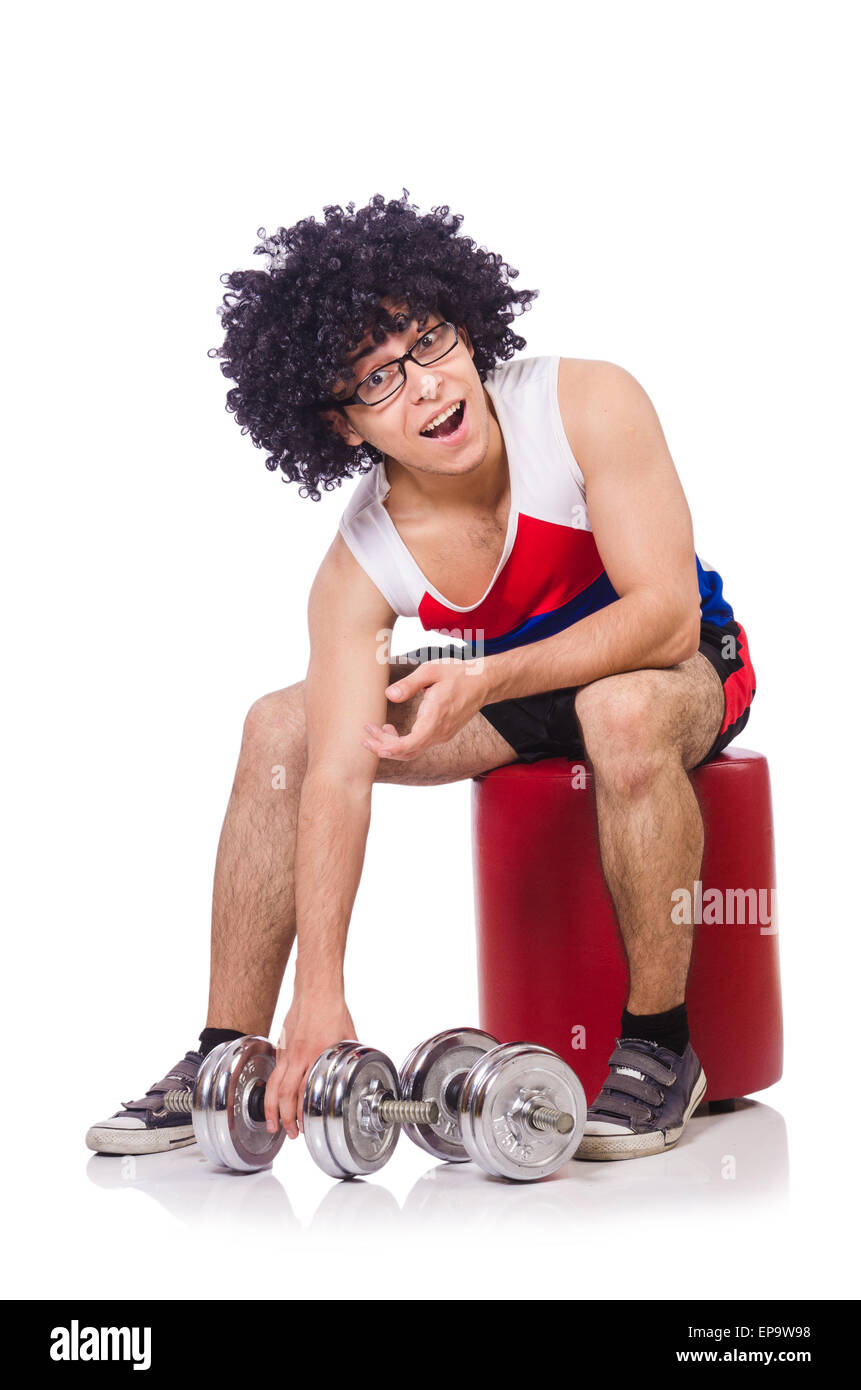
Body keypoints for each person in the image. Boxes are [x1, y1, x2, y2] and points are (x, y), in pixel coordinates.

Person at [86, 191, 756, 1164]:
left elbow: (663, 614)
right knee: (283, 725)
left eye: (431, 341)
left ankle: (661, 1049)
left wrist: (485, 678)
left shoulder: (585, 403)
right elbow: (336, 772)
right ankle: (225, 1052)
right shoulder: (360, 560)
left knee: (617, 709)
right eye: (379, 378)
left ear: (467, 322)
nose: (427, 387)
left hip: (676, 667)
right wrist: (324, 990)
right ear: (345, 426)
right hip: (512, 688)